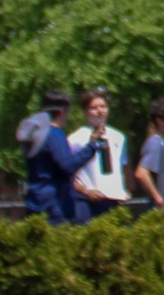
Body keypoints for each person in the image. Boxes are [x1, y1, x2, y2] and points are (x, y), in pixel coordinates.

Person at [17, 90, 101, 225]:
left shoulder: (37, 135)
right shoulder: (55, 135)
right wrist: (91, 146)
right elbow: (68, 165)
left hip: (35, 200)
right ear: (62, 112)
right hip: (53, 206)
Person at [67, 91, 131, 223]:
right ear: (85, 111)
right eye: (94, 108)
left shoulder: (118, 137)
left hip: (113, 199)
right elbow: (67, 173)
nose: (100, 111)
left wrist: (124, 189)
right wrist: (86, 191)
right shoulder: (75, 139)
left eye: (103, 106)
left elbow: (122, 167)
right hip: (88, 201)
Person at [134, 98, 164, 229]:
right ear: (159, 121)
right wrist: (158, 198)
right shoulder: (155, 143)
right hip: (160, 215)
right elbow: (141, 173)